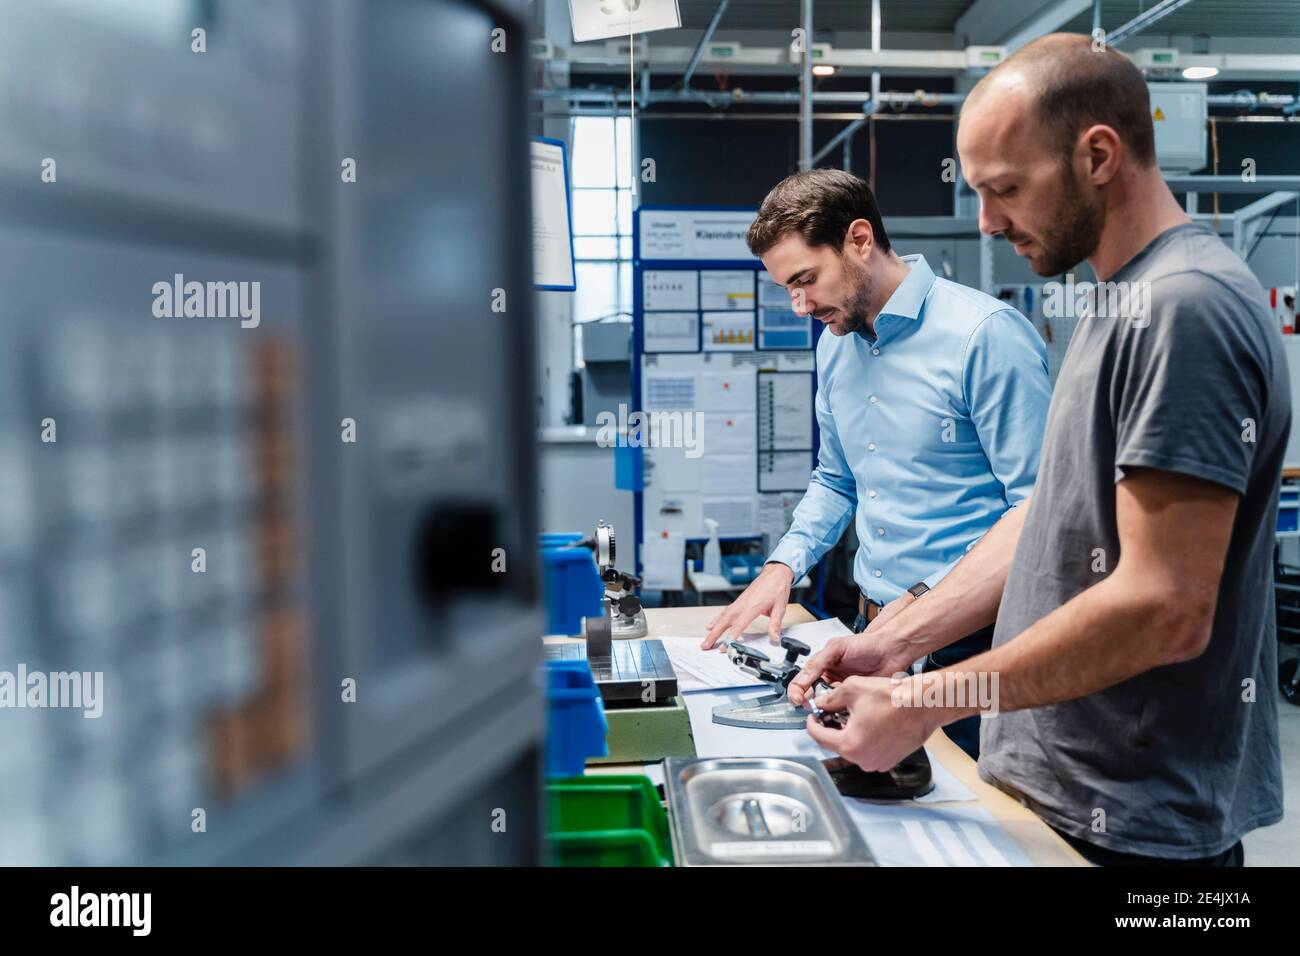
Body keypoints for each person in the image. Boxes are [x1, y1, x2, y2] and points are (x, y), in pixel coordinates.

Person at [790, 33, 1288, 866]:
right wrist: (899, 643)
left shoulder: (1183, 308)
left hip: (1136, 823)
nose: (985, 221)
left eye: (1006, 189)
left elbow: (1164, 607)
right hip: (1063, 789)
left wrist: (927, 701)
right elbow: (1042, 525)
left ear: (1098, 155)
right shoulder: (1119, 300)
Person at [701, 168, 1052, 759]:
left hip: (971, 650)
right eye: (787, 287)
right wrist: (784, 565)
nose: (799, 305)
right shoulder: (835, 344)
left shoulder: (985, 337)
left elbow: (1040, 510)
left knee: (978, 834)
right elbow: (835, 479)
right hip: (869, 638)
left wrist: (921, 602)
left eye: (806, 280)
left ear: (859, 240)